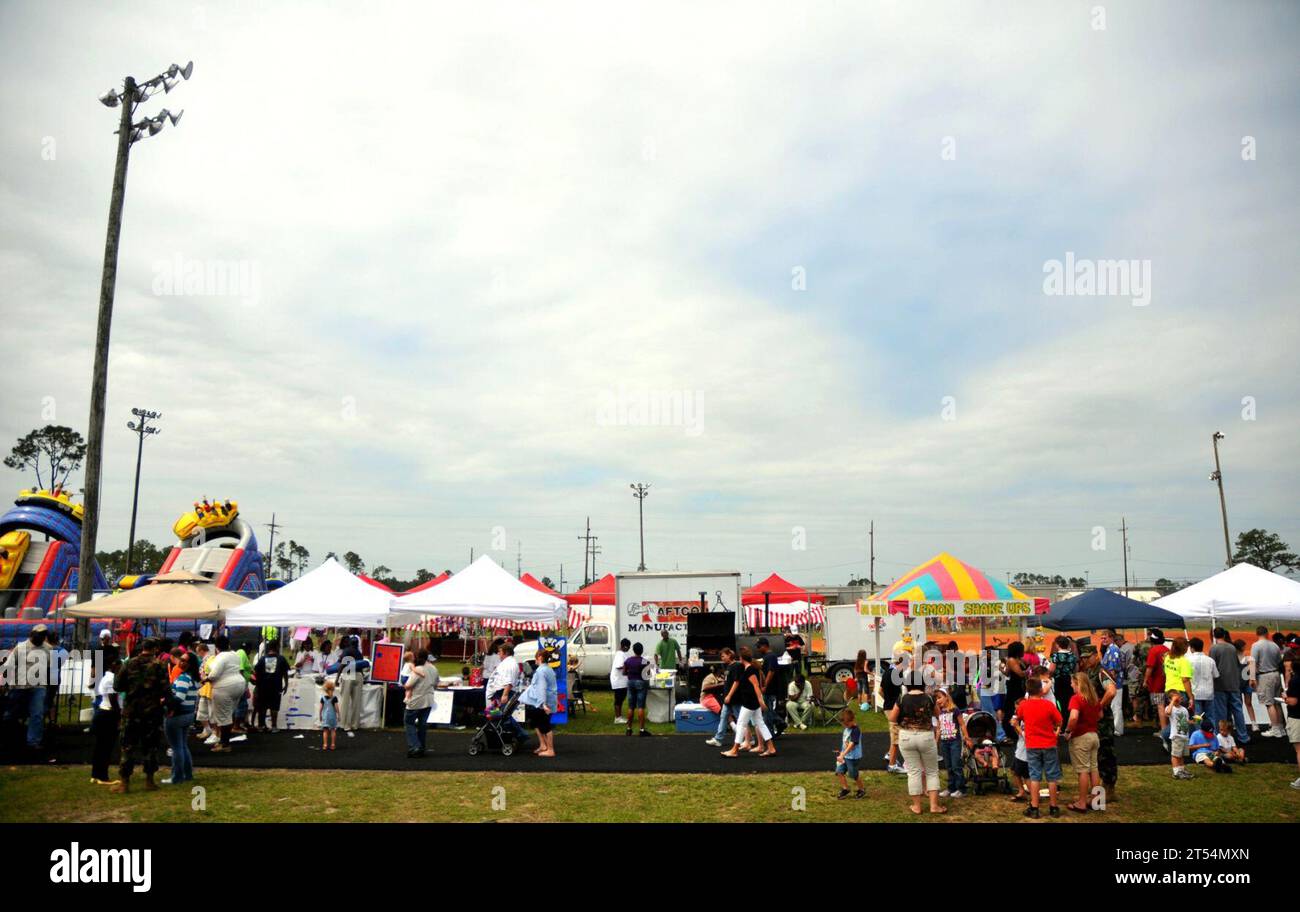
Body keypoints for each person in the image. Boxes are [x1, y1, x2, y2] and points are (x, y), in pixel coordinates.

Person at [111, 638, 171, 794]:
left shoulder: (129, 663)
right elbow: (166, 689)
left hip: (131, 710)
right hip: (152, 711)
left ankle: (124, 783)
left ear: (142, 648)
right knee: (150, 747)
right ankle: (149, 781)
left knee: (127, 747)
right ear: (155, 649)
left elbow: (117, 686)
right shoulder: (159, 665)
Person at [889, 674, 943, 814]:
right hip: (926, 736)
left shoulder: (902, 698)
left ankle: (917, 806)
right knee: (931, 771)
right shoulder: (930, 697)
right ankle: (934, 806)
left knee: (913, 772)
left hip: (906, 736)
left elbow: (892, 718)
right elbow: (937, 713)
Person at [1017, 677, 1064, 819]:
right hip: (1049, 743)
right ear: (1040, 689)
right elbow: (1059, 720)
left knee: (1035, 776)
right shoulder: (1048, 705)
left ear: (1027, 690)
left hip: (1032, 745)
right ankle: (1054, 807)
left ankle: (1035, 807)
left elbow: (1017, 718)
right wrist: (1055, 731)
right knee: (1052, 777)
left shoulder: (1024, 705)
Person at [1079, 643, 1120, 802]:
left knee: (1105, 753)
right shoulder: (1089, 671)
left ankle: (1109, 787)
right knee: (1096, 754)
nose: (1085, 660)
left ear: (1096, 655)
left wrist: (1099, 707)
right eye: (1083, 658)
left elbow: (1111, 691)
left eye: (1088, 657)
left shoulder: (1101, 672)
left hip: (1102, 721)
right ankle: (1101, 785)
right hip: (1093, 720)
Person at [720, 646, 775, 757]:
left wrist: (761, 701)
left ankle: (735, 750)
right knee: (760, 724)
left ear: (741, 658)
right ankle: (771, 747)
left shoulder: (750, 670)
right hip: (752, 702)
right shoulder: (747, 669)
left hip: (750, 702)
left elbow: (756, 686)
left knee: (741, 724)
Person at [3, 624, 52, 749]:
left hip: (38, 686)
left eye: (43, 634)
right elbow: (8, 666)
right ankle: (8, 738)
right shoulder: (20, 648)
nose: (41, 637)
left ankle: (33, 741)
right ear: (32, 634)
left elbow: (49, 668)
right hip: (20, 686)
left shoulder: (48, 649)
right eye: (39, 634)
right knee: (10, 714)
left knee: (37, 713)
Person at [1064, 672, 1102, 813]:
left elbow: (1073, 718)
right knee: (1094, 768)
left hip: (1081, 737)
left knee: (1083, 771)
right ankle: (1096, 800)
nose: (1071, 685)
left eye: (1072, 683)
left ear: (1078, 683)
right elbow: (1100, 715)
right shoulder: (1094, 699)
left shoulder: (1076, 699)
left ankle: (1081, 802)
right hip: (1094, 736)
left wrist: (1068, 732)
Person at [204, 636, 246, 753]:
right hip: (239, 684)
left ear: (216, 647)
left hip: (224, 687)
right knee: (229, 713)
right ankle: (224, 741)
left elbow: (214, 674)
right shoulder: (235, 654)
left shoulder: (220, 657)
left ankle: (225, 744)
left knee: (223, 717)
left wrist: (205, 679)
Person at [164, 651, 200, 785]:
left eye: (185, 660)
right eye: (181, 659)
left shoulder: (184, 678)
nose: (181, 662)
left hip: (177, 715)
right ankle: (187, 774)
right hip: (188, 714)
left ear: (190, 664)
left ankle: (177, 776)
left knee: (176, 747)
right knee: (183, 746)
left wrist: (164, 702)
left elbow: (179, 698)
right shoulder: (194, 678)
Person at [1209, 627, 1249, 744]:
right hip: (1233, 684)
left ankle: (1221, 737)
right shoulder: (1232, 648)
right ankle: (1243, 736)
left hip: (1220, 685)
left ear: (1215, 636)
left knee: (1221, 713)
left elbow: (1212, 666)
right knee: (1238, 710)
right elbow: (1237, 664)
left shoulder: (1214, 648)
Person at [485, 642, 529, 746]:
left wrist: (504, 695)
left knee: (504, 716)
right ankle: (504, 737)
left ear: (506, 652)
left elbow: (508, 682)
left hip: (503, 693)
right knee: (497, 715)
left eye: (500, 652)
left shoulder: (509, 664)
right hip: (499, 692)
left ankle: (520, 735)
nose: (498, 654)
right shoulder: (507, 662)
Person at [89, 653, 122, 785]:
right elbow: (113, 699)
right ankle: (102, 776)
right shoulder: (111, 679)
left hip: (105, 713)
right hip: (108, 714)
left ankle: (96, 774)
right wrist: (119, 716)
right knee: (105, 747)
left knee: (100, 747)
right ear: (113, 666)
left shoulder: (108, 678)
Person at [521, 647, 558, 757]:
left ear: (540, 658)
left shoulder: (541, 671)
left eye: (536, 658)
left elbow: (541, 688)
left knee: (545, 725)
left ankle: (550, 750)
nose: (535, 660)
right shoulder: (548, 669)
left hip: (543, 702)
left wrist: (543, 704)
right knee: (536, 722)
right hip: (545, 701)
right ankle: (543, 745)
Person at [1252, 626, 1286, 738]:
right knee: (1277, 702)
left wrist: (1252, 678)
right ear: (1267, 633)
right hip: (1276, 674)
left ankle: (1275, 729)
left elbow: (1253, 663)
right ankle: (1281, 728)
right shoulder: (1274, 645)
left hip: (1265, 676)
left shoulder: (1256, 646)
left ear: (1257, 633)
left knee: (1269, 703)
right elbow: (1279, 661)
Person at [403, 649, 437, 758]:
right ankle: (421, 746)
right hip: (428, 700)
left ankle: (415, 746)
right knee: (422, 724)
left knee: (409, 722)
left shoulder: (417, 669)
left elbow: (408, 685)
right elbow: (436, 683)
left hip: (416, 700)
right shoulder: (433, 668)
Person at [253, 640, 290, 731]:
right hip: (276, 686)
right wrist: (286, 684)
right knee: (274, 706)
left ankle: (261, 726)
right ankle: (273, 726)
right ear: (277, 647)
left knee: (263, 706)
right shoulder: (281, 659)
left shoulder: (262, 659)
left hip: (263, 687)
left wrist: (257, 686)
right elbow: (285, 673)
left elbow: (256, 673)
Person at [706, 648, 740, 747]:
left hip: (734, 698)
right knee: (723, 717)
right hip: (727, 699)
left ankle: (749, 739)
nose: (722, 658)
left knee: (740, 719)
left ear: (729, 655)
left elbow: (736, 682)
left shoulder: (736, 666)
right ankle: (718, 739)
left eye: (723, 656)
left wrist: (729, 695)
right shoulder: (728, 667)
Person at [935, 689, 965, 798]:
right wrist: (936, 741)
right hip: (944, 742)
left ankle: (961, 788)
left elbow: (962, 724)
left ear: (946, 697)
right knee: (949, 766)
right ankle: (951, 787)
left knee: (956, 765)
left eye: (939, 697)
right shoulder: (939, 712)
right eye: (936, 698)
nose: (937, 700)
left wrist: (967, 737)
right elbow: (938, 728)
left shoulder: (955, 710)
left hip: (954, 741)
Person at [833, 708, 865, 799]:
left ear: (852, 720)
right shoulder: (847, 729)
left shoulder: (856, 730)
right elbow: (845, 742)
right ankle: (845, 788)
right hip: (845, 756)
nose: (845, 726)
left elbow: (852, 745)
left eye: (847, 724)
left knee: (853, 775)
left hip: (853, 758)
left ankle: (861, 789)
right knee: (839, 771)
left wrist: (842, 754)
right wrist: (841, 753)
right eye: (843, 724)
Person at [1099, 629, 1126, 736]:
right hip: (1113, 682)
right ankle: (1116, 728)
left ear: (1111, 638)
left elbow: (1112, 670)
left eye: (1105, 638)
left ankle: (1118, 730)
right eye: (1101, 638)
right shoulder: (1110, 649)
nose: (1103, 640)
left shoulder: (1113, 650)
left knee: (1116, 706)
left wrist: (1111, 683)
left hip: (1115, 683)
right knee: (1114, 706)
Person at [882, 653, 905, 773]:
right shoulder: (899, 675)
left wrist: (887, 699)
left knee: (895, 735)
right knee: (896, 738)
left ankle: (889, 755)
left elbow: (880, 690)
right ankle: (892, 765)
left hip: (887, 706)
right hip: (894, 708)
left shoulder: (886, 672)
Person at [622, 642, 652, 737]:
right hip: (641, 683)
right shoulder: (644, 661)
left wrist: (630, 674)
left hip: (630, 683)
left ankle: (629, 729)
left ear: (633, 650)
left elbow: (623, 672)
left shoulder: (628, 660)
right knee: (640, 707)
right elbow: (648, 675)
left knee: (631, 707)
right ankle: (642, 730)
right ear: (642, 651)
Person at [1144, 630, 1170, 737]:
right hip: (1168, 682)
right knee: (1168, 706)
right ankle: (1168, 729)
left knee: (1160, 706)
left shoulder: (1153, 650)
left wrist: (1145, 680)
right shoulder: (1167, 650)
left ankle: (1164, 731)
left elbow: (1150, 667)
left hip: (1157, 683)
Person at [1187, 636, 1217, 724]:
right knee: (1211, 716)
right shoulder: (1210, 660)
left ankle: (1199, 736)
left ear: (1192, 648)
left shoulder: (1188, 660)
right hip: (1209, 693)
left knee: (1197, 717)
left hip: (1195, 693)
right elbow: (1216, 675)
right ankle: (1212, 735)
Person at [1005, 698, 1030, 803]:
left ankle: (1034, 796)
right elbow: (1019, 735)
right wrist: (1015, 727)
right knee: (1015, 771)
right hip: (1020, 750)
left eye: (1018, 709)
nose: (1017, 712)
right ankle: (1021, 791)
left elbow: (1027, 737)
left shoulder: (1029, 719)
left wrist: (1017, 726)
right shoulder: (1022, 719)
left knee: (1026, 775)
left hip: (1026, 752)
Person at [1048, 635, 1077, 715]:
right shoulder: (1073, 656)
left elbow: (1051, 670)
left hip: (1059, 681)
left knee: (1060, 701)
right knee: (1069, 700)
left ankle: (1062, 718)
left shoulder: (1055, 656)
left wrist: (1048, 677)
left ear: (1058, 644)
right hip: (1070, 681)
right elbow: (1075, 669)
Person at [1167, 689, 1193, 779]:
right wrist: (1173, 701)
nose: (1178, 698)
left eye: (1178, 696)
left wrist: (1193, 721)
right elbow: (1168, 712)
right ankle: (1176, 772)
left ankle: (1181, 770)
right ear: (1170, 700)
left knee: (1181, 755)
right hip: (1176, 736)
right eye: (1174, 697)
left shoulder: (1184, 709)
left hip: (1184, 736)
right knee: (1175, 755)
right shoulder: (1170, 708)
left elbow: (1186, 721)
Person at [1284, 656, 1300, 790]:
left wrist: (1285, 698)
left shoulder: (1295, 681)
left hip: (1297, 717)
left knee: (1299, 750)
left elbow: (1293, 701)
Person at [610, 638, 630, 724]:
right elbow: (619, 666)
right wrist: (629, 668)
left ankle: (619, 716)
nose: (629, 648)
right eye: (628, 646)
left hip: (621, 681)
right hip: (618, 681)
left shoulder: (621, 654)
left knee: (621, 699)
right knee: (618, 699)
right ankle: (617, 718)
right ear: (625, 646)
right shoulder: (620, 654)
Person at [319, 679, 339, 750]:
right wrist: (338, 715)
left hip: (325, 716)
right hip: (332, 716)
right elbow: (336, 708)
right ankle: (333, 745)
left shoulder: (322, 698)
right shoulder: (334, 698)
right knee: (333, 730)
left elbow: (320, 709)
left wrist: (320, 715)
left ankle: (325, 745)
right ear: (333, 689)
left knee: (325, 731)